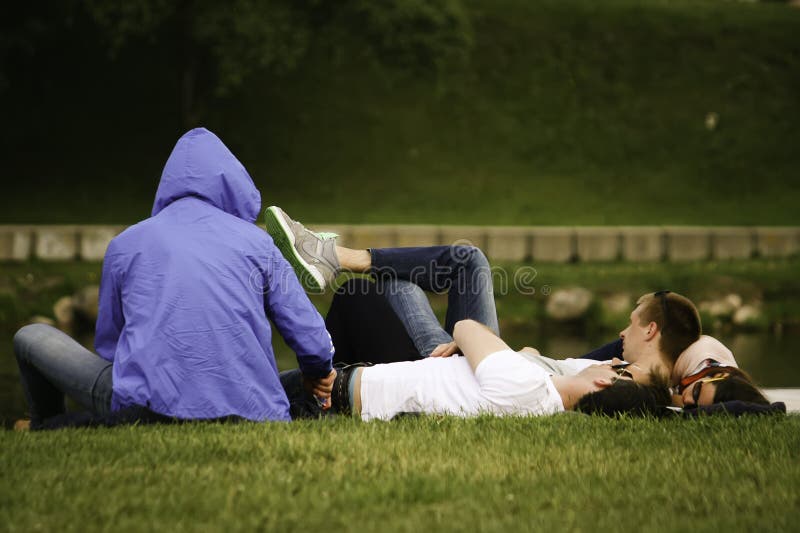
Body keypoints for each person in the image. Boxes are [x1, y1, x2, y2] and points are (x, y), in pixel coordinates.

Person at [265, 206, 769, 410]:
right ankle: (331, 264)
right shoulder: (622, 364)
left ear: (652, 330)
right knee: (453, 265)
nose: (622, 330)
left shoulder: (630, 386)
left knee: (418, 278)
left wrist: (701, 380)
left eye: (632, 321)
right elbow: (702, 344)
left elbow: (706, 355)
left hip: (476, 368)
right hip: (492, 364)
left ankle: (332, 257)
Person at [13, 128, 335, 430]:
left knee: (30, 336)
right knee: (286, 377)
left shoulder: (125, 244)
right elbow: (313, 339)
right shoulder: (258, 243)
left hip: (144, 409)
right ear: (235, 184)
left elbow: (110, 345)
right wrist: (317, 373)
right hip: (254, 408)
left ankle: (44, 425)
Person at [282, 318, 671, 421]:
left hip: (328, 393)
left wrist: (477, 342)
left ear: (603, 380)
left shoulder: (526, 383)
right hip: (347, 393)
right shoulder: (543, 406)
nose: (612, 362)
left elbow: (465, 326)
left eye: (620, 369)